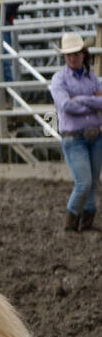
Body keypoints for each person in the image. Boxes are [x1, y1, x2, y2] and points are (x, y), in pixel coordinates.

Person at [49, 32, 102, 232]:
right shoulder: (59, 79)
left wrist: (81, 99)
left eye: (76, 54)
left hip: (95, 135)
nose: (72, 58)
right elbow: (65, 105)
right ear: (64, 56)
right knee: (85, 182)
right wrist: (93, 101)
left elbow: (76, 104)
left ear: (83, 54)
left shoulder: (91, 77)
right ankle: (71, 221)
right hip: (75, 138)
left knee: (91, 182)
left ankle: (85, 222)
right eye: (69, 54)